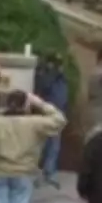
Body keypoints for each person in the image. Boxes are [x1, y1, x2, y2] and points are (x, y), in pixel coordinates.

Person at [34, 53, 69, 188]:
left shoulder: (61, 77)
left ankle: (50, 171)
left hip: (59, 112)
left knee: (54, 145)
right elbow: (43, 87)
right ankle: (36, 173)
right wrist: (53, 73)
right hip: (46, 113)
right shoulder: (44, 74)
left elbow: (63, 94)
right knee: (41, 144)